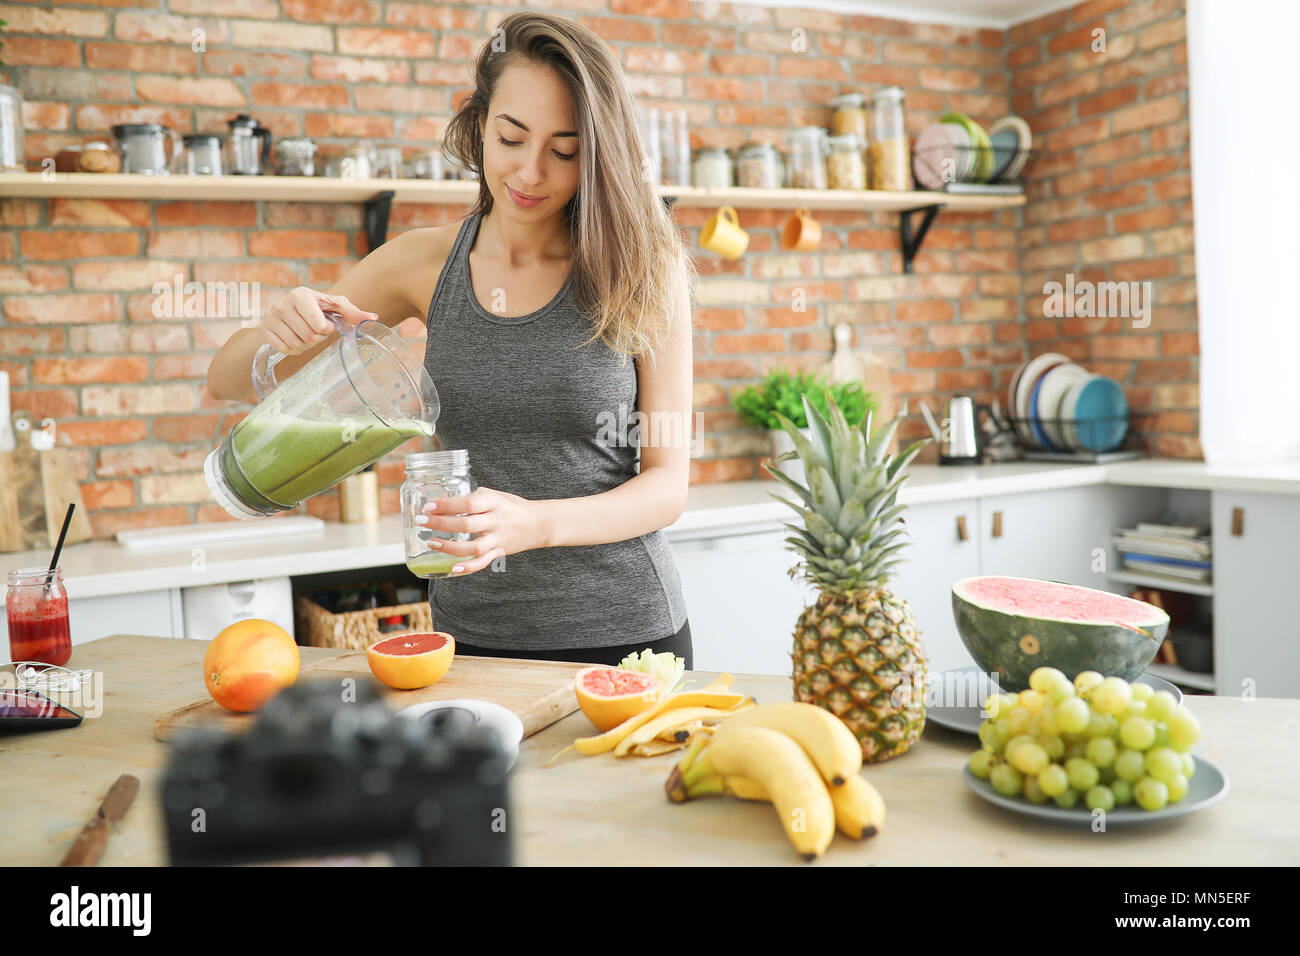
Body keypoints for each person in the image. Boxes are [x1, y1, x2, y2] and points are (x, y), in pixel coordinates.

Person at [206, 12, 697, 667]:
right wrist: (276, 332)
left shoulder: (642, 268)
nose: (529, 172)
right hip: (471, 639)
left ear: (597, 153)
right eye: (511, 138)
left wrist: (536, 523)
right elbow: (226, 379)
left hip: (626, 635)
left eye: (565, 150)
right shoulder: (421, 265)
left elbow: (667, 485)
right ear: (480, 124)